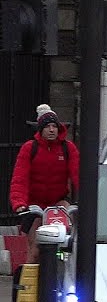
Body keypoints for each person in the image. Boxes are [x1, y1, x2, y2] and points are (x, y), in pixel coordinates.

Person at [9, 105, 79, 266]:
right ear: (40, 129)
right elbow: (20, 178)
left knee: (70, 243)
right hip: (35, 205)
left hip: (58, 201)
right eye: (47, 126)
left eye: (54, 126)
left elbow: (78, 175)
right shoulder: (29, 148)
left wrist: (89, 200)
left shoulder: (68, 148)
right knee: (34, 251)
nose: (52, 130)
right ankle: (31, 280)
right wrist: (19, 203)